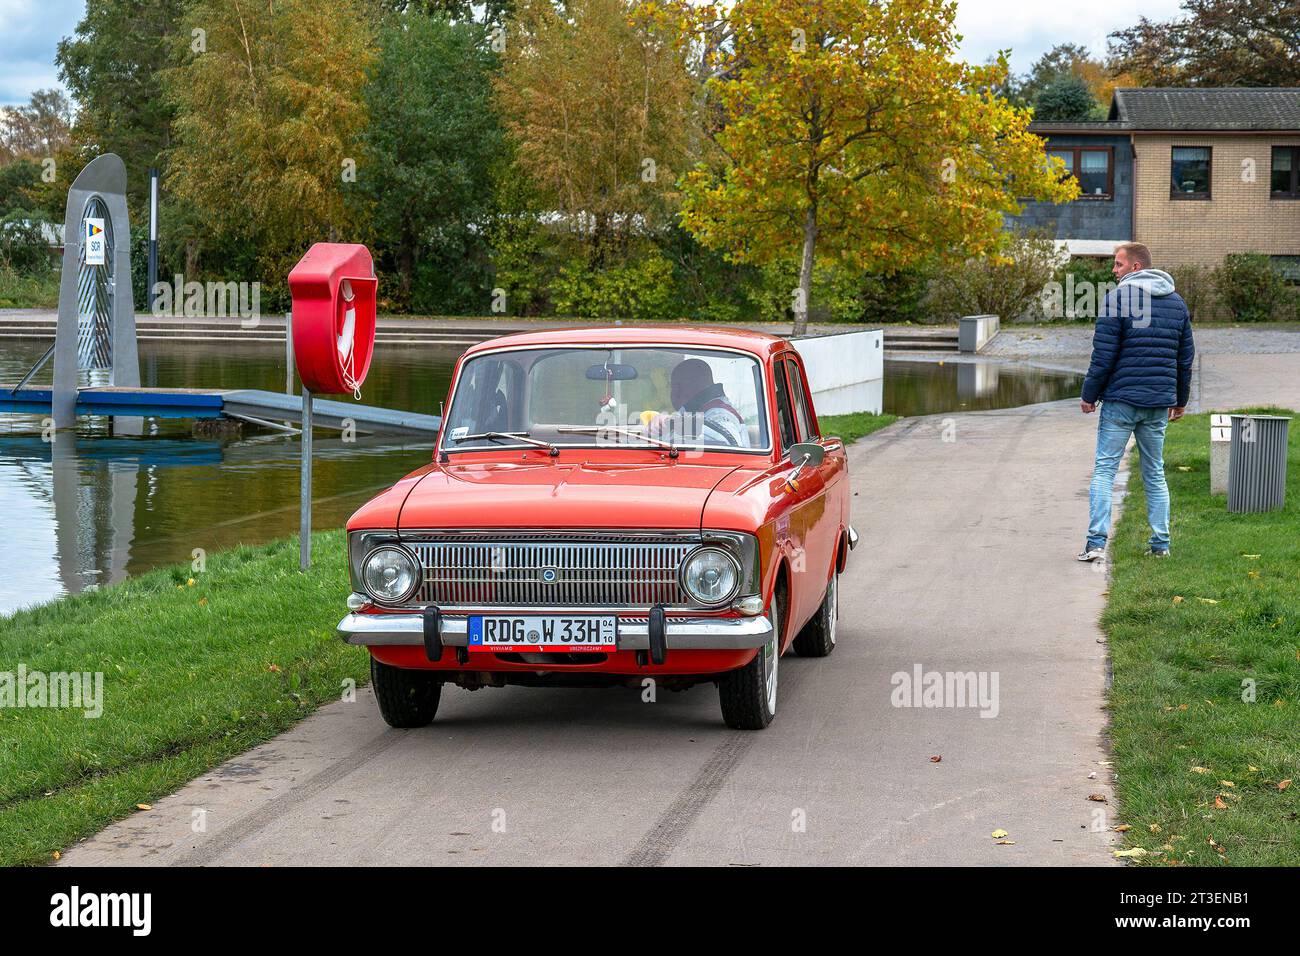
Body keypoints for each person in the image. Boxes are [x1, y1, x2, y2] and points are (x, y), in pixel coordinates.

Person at [1078, 241, 1195, 561]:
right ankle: (1161, 546)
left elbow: (1103, 356)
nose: (1113, 271)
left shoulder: (1117, 299)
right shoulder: (1177, 303)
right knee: (1154, 472)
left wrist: (1089, 395)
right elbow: (1185, 359)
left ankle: (1096, 544)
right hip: (1158, 403)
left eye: (1117, 264)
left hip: (1121, 401)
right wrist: (1180, 400)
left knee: (1104, 470)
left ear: (1135, 267)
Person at [648, 357, 750, 447]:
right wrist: (665, 421)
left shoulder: (719, 414)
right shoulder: (699, 411)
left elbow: (723, 447)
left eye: (676, 386)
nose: (674, 392)